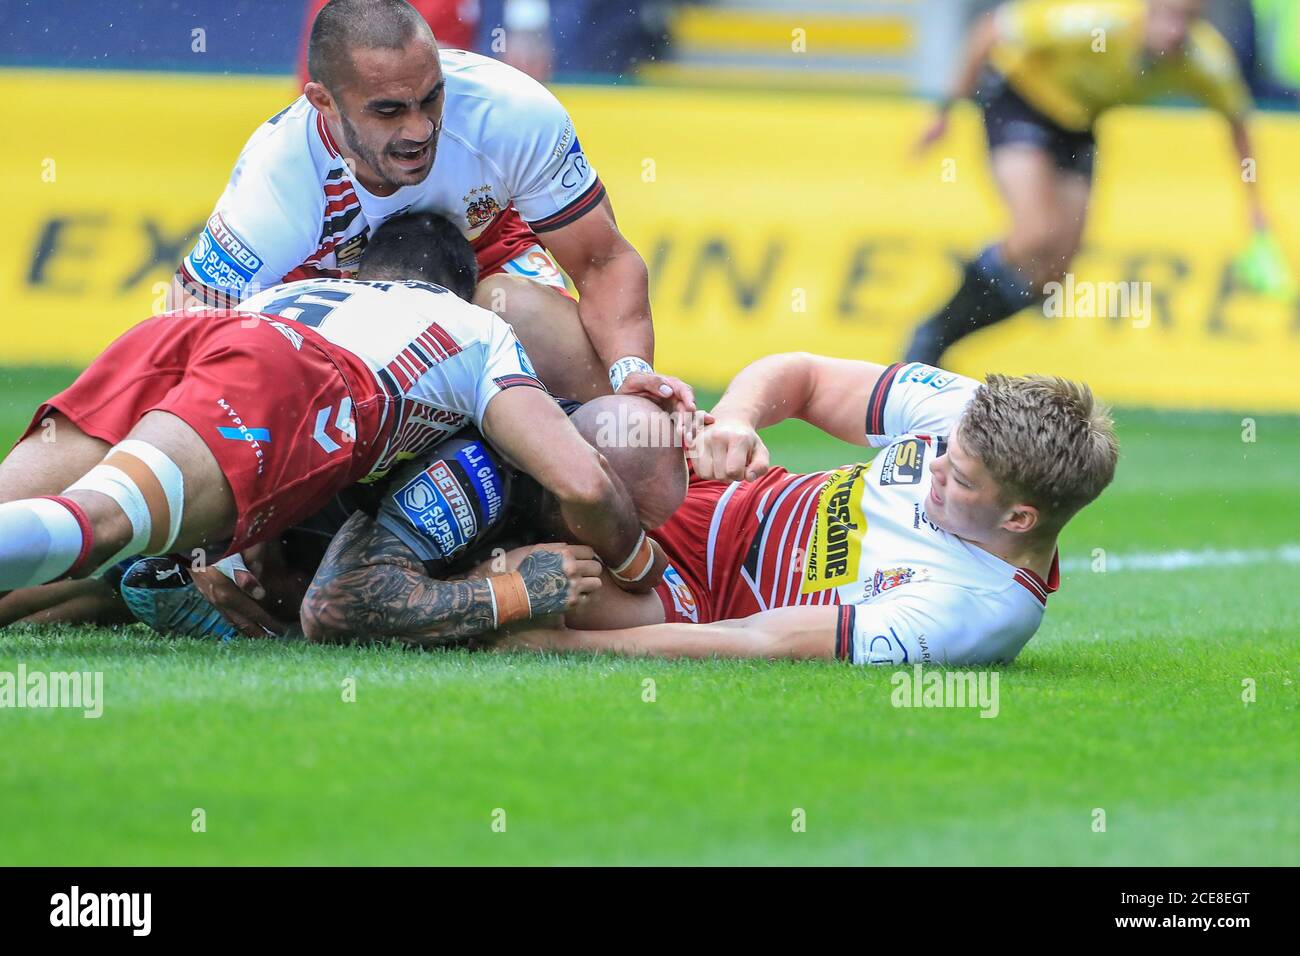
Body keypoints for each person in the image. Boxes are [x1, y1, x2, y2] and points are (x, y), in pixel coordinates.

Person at [0, 215, 665, 621]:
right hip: (287, 373)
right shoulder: (475, 332)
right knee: (99, 521)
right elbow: (584, 482)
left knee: (62, 528)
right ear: (463, 291)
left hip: (186, 335)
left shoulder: (301, 287)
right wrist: (639, 569)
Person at [174, 0, 692, 413]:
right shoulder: (277, 177)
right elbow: (189, 323)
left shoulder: (510, 111)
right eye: (389, 111)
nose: (419, 130)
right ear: (323, 102)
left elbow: (604, 262)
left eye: (430, 98)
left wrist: (630, 376)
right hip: (334, 316)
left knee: (627, 428)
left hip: (488, 270)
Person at [494, 351, 1119, 666]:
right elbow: (805, 376)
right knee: (620, 424)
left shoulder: (975, 613)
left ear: (1019, 519)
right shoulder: (973, 414)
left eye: (956, 477)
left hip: (694, 593)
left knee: (531, 582)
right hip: (712, 487)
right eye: (945, 453)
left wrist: (567, 647)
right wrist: (735, 422)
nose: (935, 465)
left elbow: (758, 639)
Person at [907, 0, 1275, 365]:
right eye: (1166, 15)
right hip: (1020, 100)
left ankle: (944, 338)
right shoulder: (1097, 20)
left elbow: (1237, 122)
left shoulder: (1202, 59)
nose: (1174, 31)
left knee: (1052, 276)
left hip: (1080, 126)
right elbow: (989, 32)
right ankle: (931, 335)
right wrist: (944, 113)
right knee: (1036, 234)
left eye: (1187, 20)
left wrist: (1254, 206)